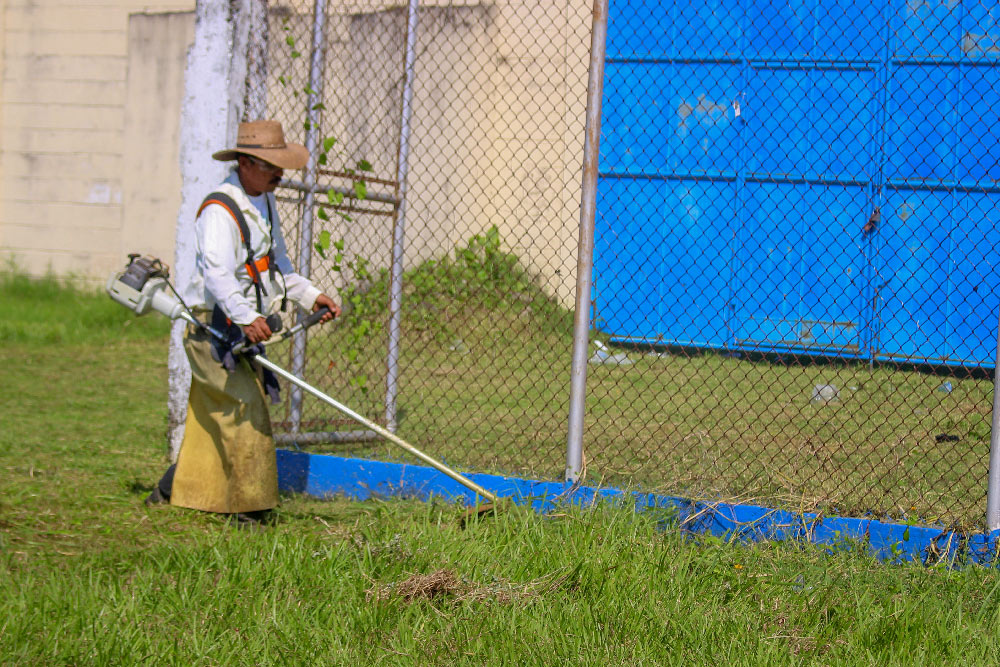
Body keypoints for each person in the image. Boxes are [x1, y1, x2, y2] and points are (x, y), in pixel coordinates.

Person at [146, 120, 339, 527]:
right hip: (212, 329)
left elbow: (276, 264)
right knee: (245, 409)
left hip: (240, 326)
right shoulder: (219, 210)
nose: (280, 174)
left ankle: (167, 492)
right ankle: (250, 511)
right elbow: (218, 275)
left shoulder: (264, 201)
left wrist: (310, 295)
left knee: (208, 419)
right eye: (272, 166)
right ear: (247, 163)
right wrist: (247, 316)